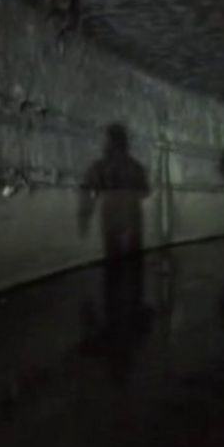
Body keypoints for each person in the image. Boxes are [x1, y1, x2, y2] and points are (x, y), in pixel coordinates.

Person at [78, 124, 151, 363]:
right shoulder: (135, 166)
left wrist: (85, 216)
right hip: (130, 208)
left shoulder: (101, 165)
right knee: (133, 259)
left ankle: (114, 304)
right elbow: (144, 191)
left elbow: (88, 188)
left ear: (111, 141)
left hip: (111, 207)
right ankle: (133, 300)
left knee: (114, 259)